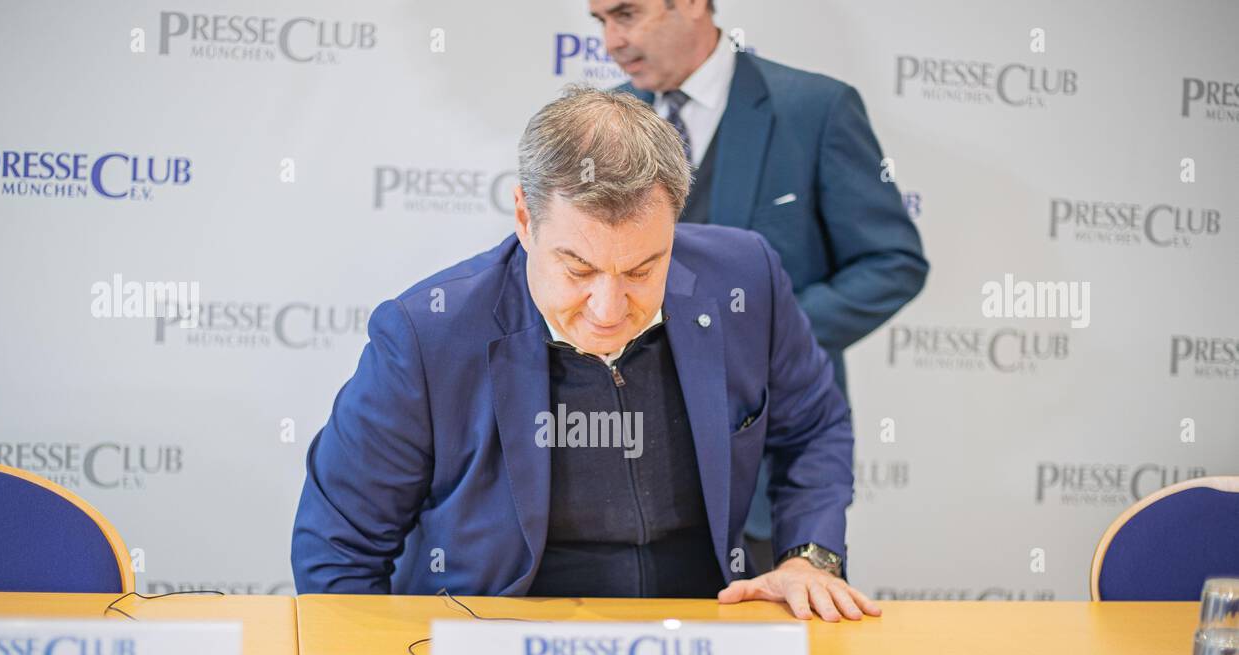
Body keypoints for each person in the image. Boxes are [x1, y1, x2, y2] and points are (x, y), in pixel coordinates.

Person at [291, 87, 879, 622]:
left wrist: (810, 557)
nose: (608, 308)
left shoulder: (745, 278)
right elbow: (337, 545)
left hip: (704, 631)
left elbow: (815, 425)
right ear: (526, 218)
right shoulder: (428, 335)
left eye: (644, 268)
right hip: (496, 641)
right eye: (579, 267)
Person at [593, 0, 929, 571]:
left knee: (783, 652)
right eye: (599, 22)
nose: (611, 41)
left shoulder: (814, 109)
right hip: (632, 478)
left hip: (771, 477)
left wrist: (770, 339)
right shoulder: (609, 122)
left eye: (626, 14)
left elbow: (892, 262)